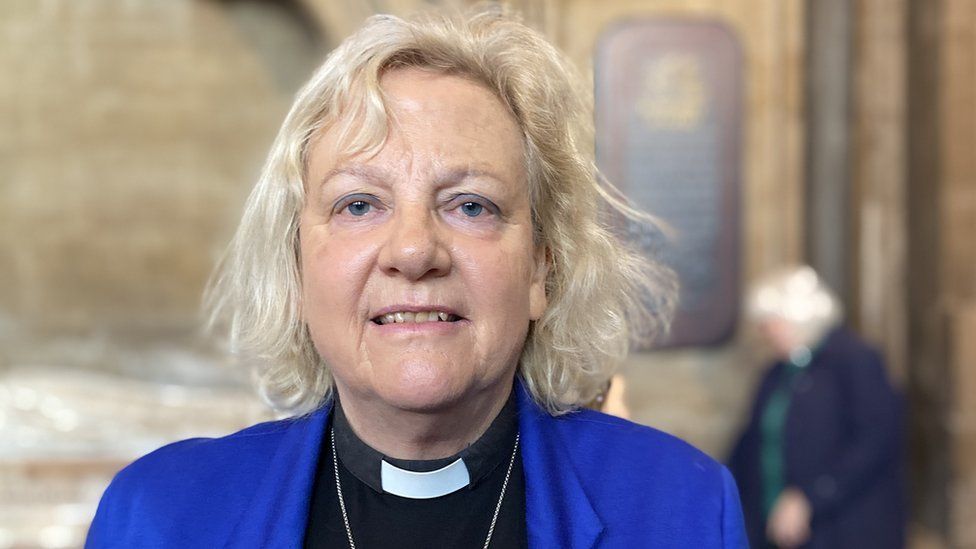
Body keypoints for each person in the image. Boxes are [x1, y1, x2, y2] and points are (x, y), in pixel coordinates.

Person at [86, 8, 746, 548]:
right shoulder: (159, 516)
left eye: (471, 205)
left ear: (542, 266)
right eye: (358, 204)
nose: (412, 249)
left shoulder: (680, 509)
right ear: (295, 268)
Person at [728, 266, 905, 548]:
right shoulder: (777, 372)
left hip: (845, 527)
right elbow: (752, 440)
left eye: (770, 322)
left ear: (796, 317)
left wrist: (811, 497)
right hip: (778, 527)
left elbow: (876, 438)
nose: (764, 332)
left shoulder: (854, 359)